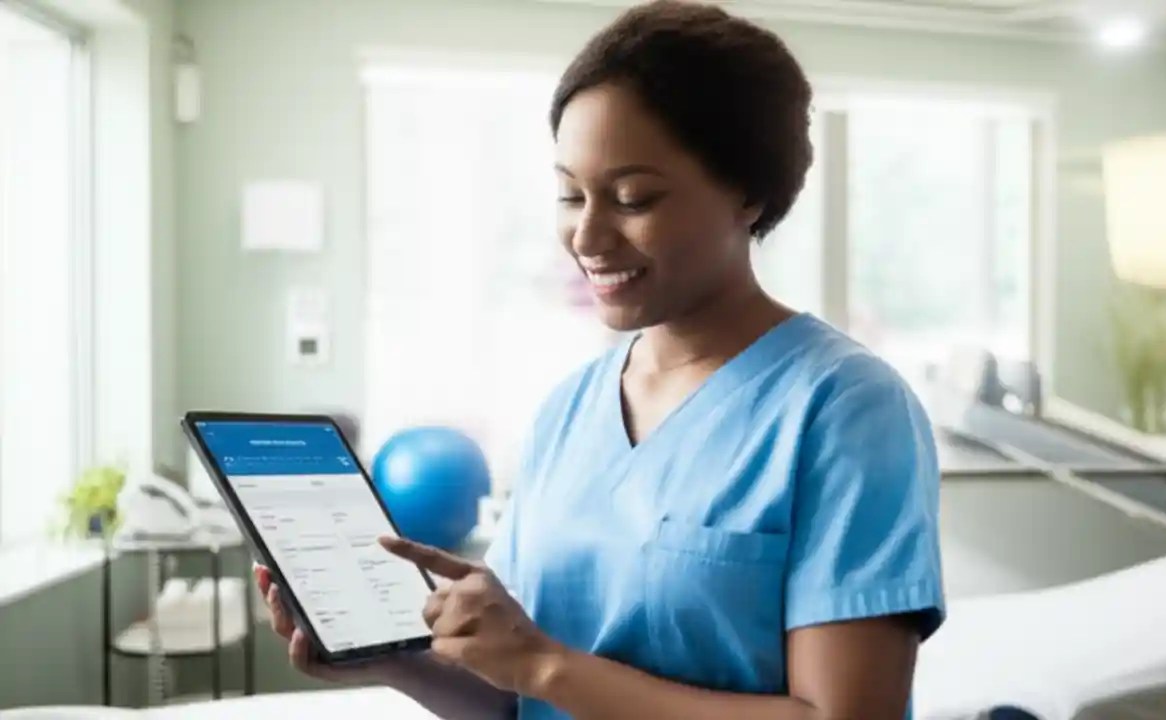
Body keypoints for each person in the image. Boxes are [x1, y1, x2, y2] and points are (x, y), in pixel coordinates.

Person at [255, 2, 945, 718]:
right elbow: (515, 698)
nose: (586, 235)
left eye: (632, 198)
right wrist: (396, 660)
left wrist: (545, 665)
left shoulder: (844, 409)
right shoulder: (569, 411)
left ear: (748, 192)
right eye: (569, 194)